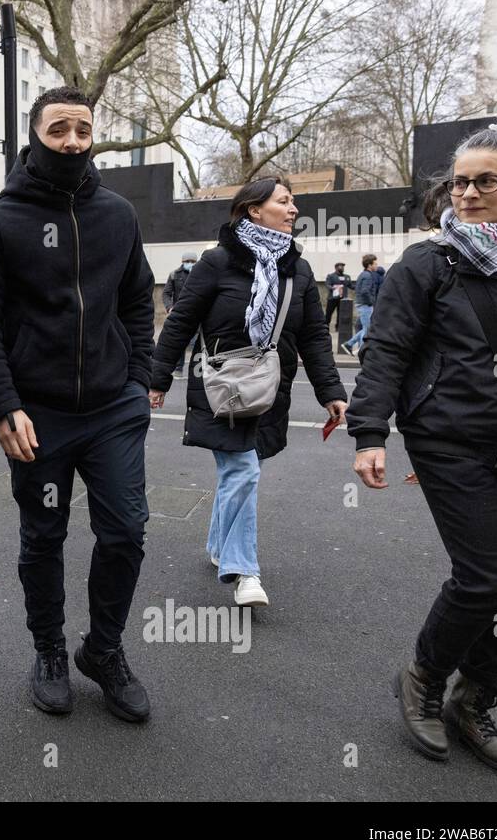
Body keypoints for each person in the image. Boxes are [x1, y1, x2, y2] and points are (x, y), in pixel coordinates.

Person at [348, 121, 497, 776]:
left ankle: (475, 700)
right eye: (459, 181)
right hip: (451, 439)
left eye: (485, 181)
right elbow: (386, 350)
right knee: (488, 575)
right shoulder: (428, 263)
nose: (466, 193)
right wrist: (370, 433)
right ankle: (423, 679)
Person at [0, 86, 156, 722]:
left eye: (82, 129)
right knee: (43, 536)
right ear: (34, 136)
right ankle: (48, 649)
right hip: (36, 415)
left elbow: (137, 300)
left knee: (125, 530)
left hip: (111, 410)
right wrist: (1, 406)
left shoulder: (119, 215)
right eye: (58, 129)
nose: (72, 140)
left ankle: (103, 649)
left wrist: (140, 378)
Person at [148, 177, 347, 608]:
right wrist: (158, 378)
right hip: (223, 388)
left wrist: (331, 390)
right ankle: (244, 571)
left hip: (272, 387)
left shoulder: (298, 268)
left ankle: (220, 545)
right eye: (284, 202)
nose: (293, 209)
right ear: (254, 210)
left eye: (294, 202)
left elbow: (314, 335)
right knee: (244, 471)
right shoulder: (217, 262)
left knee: (239, 470)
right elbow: (180, 321)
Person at [162, 253, 199, 377]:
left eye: (192, 261)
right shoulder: (174, 274)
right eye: (187, 261)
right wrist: (169, 307)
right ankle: (178, 368)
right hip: (180, 314)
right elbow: (166, 293)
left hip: (197, 313)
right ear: (183, 261)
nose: (190, 263)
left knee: (196, 343)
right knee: (180, 341)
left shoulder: (201, 273)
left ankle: (197, 370)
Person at [341, 253, 384, 356]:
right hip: (365, 305)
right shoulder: (367, 276)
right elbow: (365, 291)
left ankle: (349, 344)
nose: (376, 265)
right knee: (367, 329)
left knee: (365, 328)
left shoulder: (363, 274)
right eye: (375, 263)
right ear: (369, 265)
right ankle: (361, 350)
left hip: (362, 304)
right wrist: (371, 303)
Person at [324, 261, 352, 331]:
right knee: (328, 313)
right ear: (336, 267)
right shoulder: (331, 276)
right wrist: (332, 288)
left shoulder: (347, 277)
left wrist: (358, 287)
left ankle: (338, 327)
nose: (342, 267)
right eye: (340, 266)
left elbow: (350, 286)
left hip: (343, 299)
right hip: (332, 298)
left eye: (343, 266)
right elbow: (327, 284)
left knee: (341, 314)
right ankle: (325, 327)